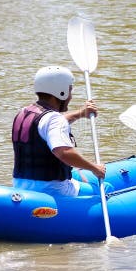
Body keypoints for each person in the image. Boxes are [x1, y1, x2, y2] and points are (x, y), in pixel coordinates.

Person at [11, 65, 106, 197]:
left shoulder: (24, 113)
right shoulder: (54, 119)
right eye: (70, 91)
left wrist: (81, 113)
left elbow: (49, 125)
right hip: (52, 189)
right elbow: (63, 152)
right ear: (61, 92)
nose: (70, 97)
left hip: (20, 186)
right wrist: (94, 168)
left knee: (77, 175)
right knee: (107, 188)